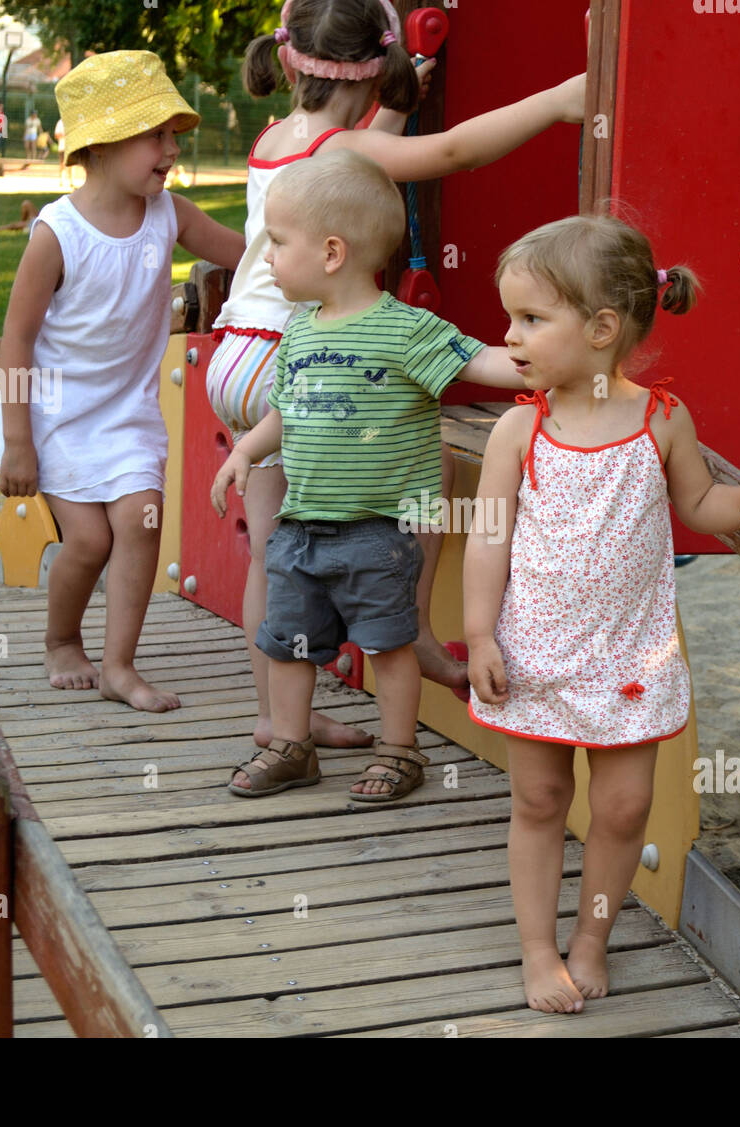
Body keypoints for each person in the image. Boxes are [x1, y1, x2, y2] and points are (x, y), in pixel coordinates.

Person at [205, 0, 585, 762]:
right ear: (378, 68)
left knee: (277, 551)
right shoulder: (348, 149)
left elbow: (356, 161)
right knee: (429, 473)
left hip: (235, 357)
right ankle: (404, 629)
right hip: (304, 356)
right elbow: (454, 155)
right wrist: (557, 102)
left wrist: (395, 99)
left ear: (287, 61)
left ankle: (279, 715)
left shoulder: (278, 140)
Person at [464, 215, 740, 1013]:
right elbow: (487, 539)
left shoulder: (660, 418)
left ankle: (591, 938)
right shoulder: (519, 429)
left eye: (530, 319)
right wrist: (482, 632)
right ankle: (535, 948)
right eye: (510, 317)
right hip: (535, 655)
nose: (510, 336)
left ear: (600, 328)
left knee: (624, 807)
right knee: (538, 801)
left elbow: (700, 502)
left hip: (631, 658)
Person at [210, 149, 528, 800]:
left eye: (276, 242)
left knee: (391, 646)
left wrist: (549, 357)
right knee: (289, 643)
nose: (266, 257)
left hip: (379, 531)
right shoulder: (298, 332)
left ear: (331, 253)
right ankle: (292, 744)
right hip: (303, 526)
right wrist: (245, 450)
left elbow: (486, 363)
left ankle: (398, 750)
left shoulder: (405, 330)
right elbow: (283, 411)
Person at [0, 50, 247, 712]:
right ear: (100, 144)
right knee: (91, 539)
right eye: (155, 135)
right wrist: (18, 439)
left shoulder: (169, 215)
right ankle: (61, 640)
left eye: (173, 136)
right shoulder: (58, 233)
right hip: (55, 417)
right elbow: (16, 338)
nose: (171, 149)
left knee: (140, 520)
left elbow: (244, 253)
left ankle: (119, 665)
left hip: (126, 414)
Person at [54, 117, 69, 187]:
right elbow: (56, 135)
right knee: (62, 164)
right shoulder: (60, 122)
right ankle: (62, 180)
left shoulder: (72, 121)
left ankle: (72, 181)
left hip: (70, 147)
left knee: (72, 165)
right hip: (62, 147)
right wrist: (64, 135)